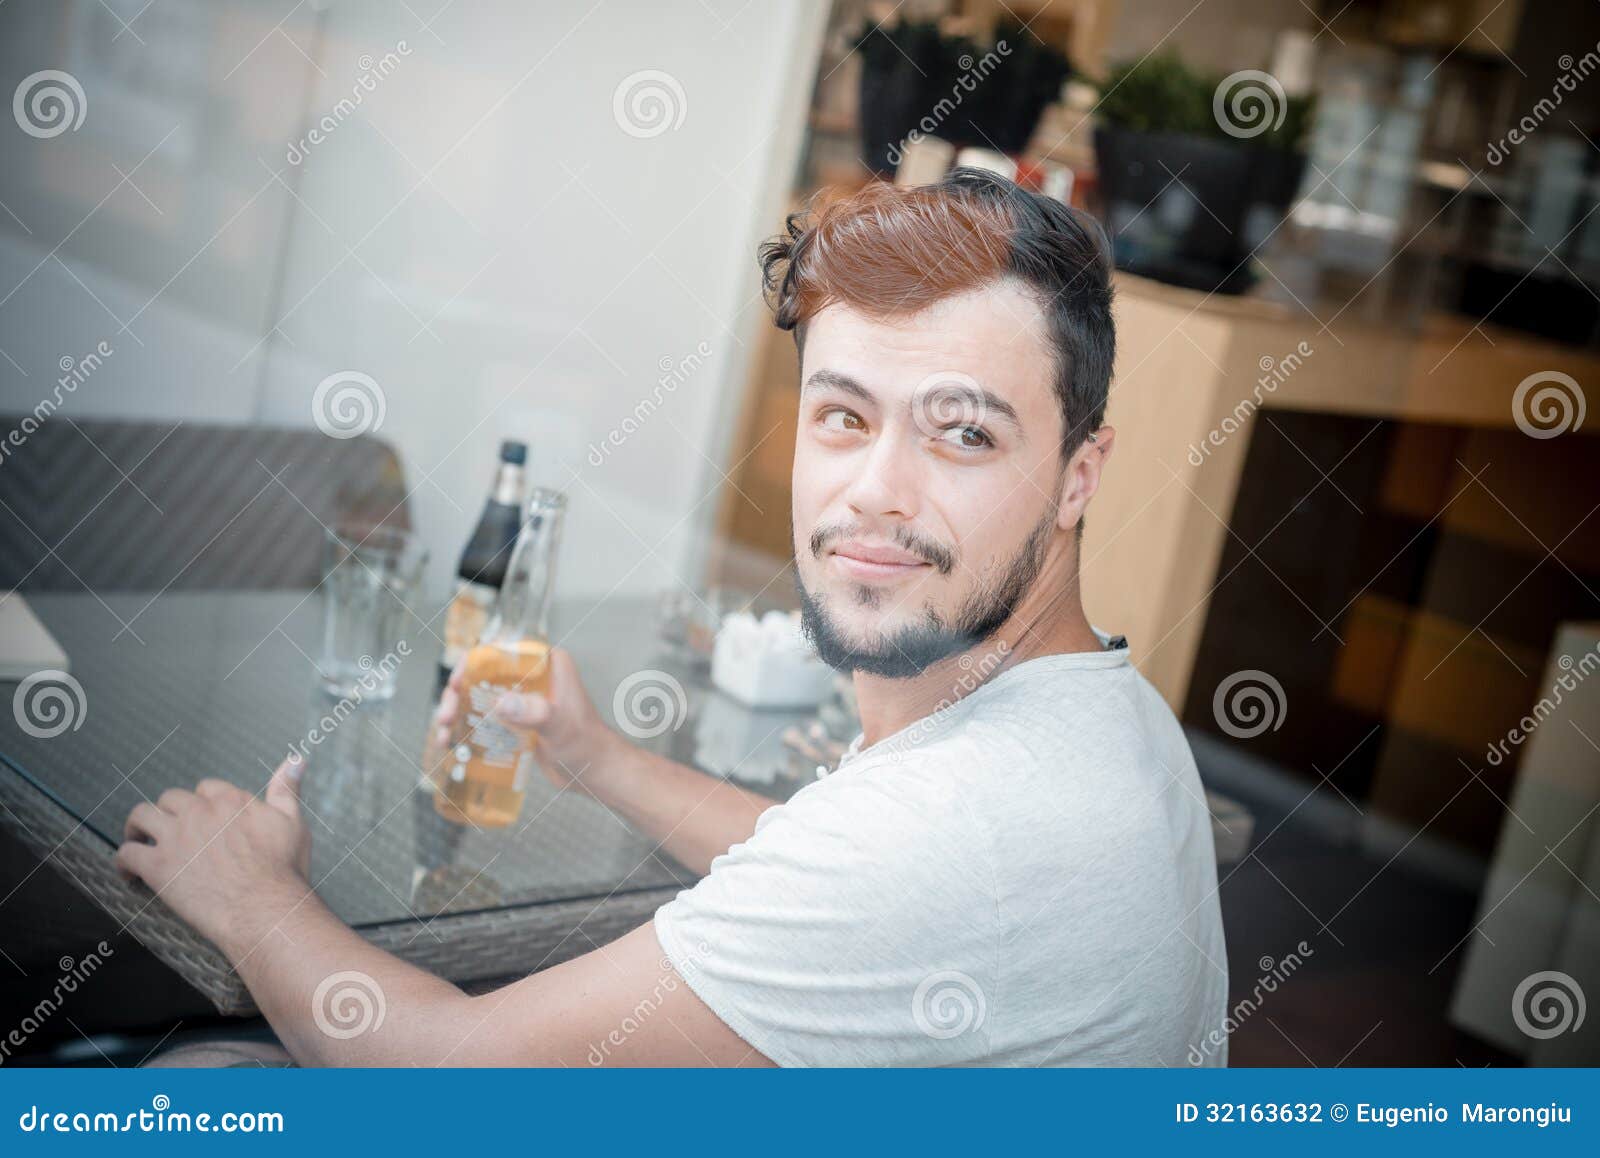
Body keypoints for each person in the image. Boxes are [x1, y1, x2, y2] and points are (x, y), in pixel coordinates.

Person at [117, 169, 1227, 1067]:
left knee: (206, 1079)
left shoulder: (945, 834)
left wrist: (251, 894)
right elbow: (834, 871)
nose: (876, 491)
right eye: (844, 416)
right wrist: (598, 758)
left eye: (964, 434)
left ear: (1079, 477)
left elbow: (451, 1076)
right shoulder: (1106, 715)